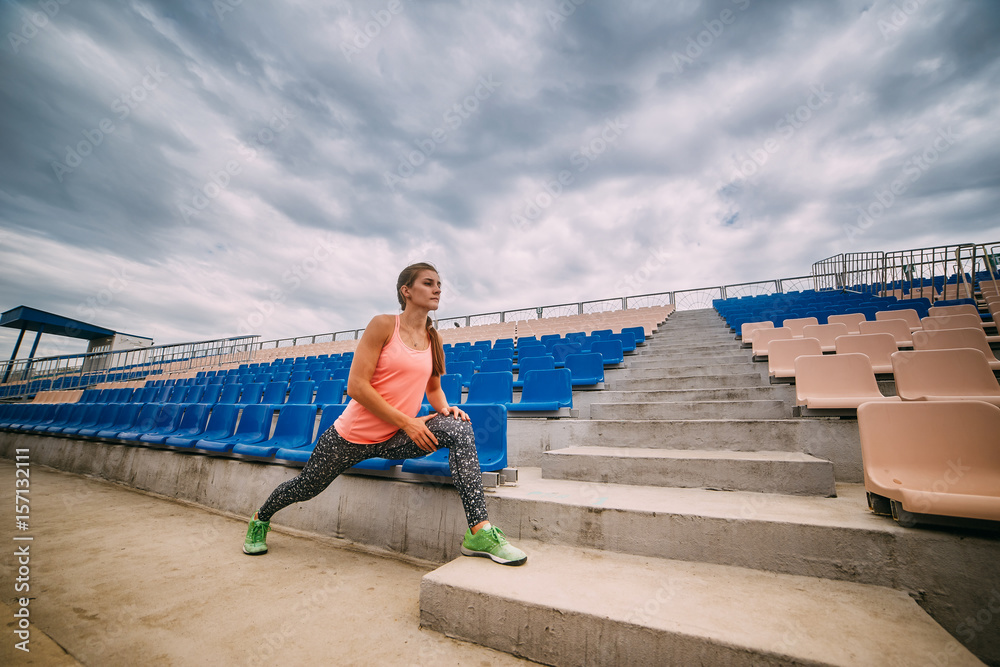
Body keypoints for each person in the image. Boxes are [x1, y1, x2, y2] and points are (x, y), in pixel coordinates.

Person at [243, 262, 526, 566]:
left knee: (458, 427)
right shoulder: (382, 325)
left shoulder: (434, 339)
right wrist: (407, 421)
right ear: (407, 291)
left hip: (396, 438)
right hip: (349, 437)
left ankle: (479, 531)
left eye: (439, 284)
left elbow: (433, 389)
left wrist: (445, 408)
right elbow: (356, 386)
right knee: (307, 486)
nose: (437, 289)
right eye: (428, 283)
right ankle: (261, 518)